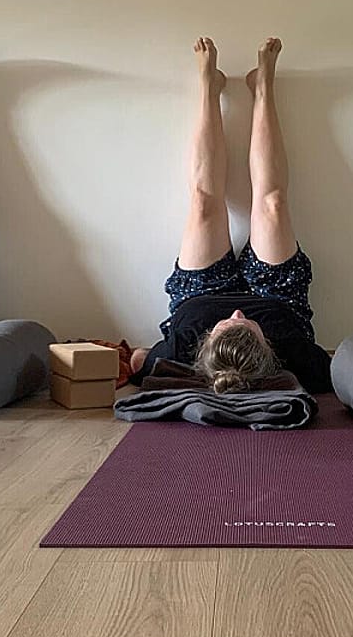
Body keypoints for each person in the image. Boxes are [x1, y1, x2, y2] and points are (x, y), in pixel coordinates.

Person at [128, 37, 332, 395]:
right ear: (270, 348)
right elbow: (347, 369)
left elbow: (138, 360)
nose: (238, 313)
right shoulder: (299, 359)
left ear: (205, 343)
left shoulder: (180, 350)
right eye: (248, 325)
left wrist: (137, 361)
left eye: (227, 324)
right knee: (272, 204)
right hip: (278, 298)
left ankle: (209, 88)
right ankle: (263, 87)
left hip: (199, 295)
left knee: (204, 203)